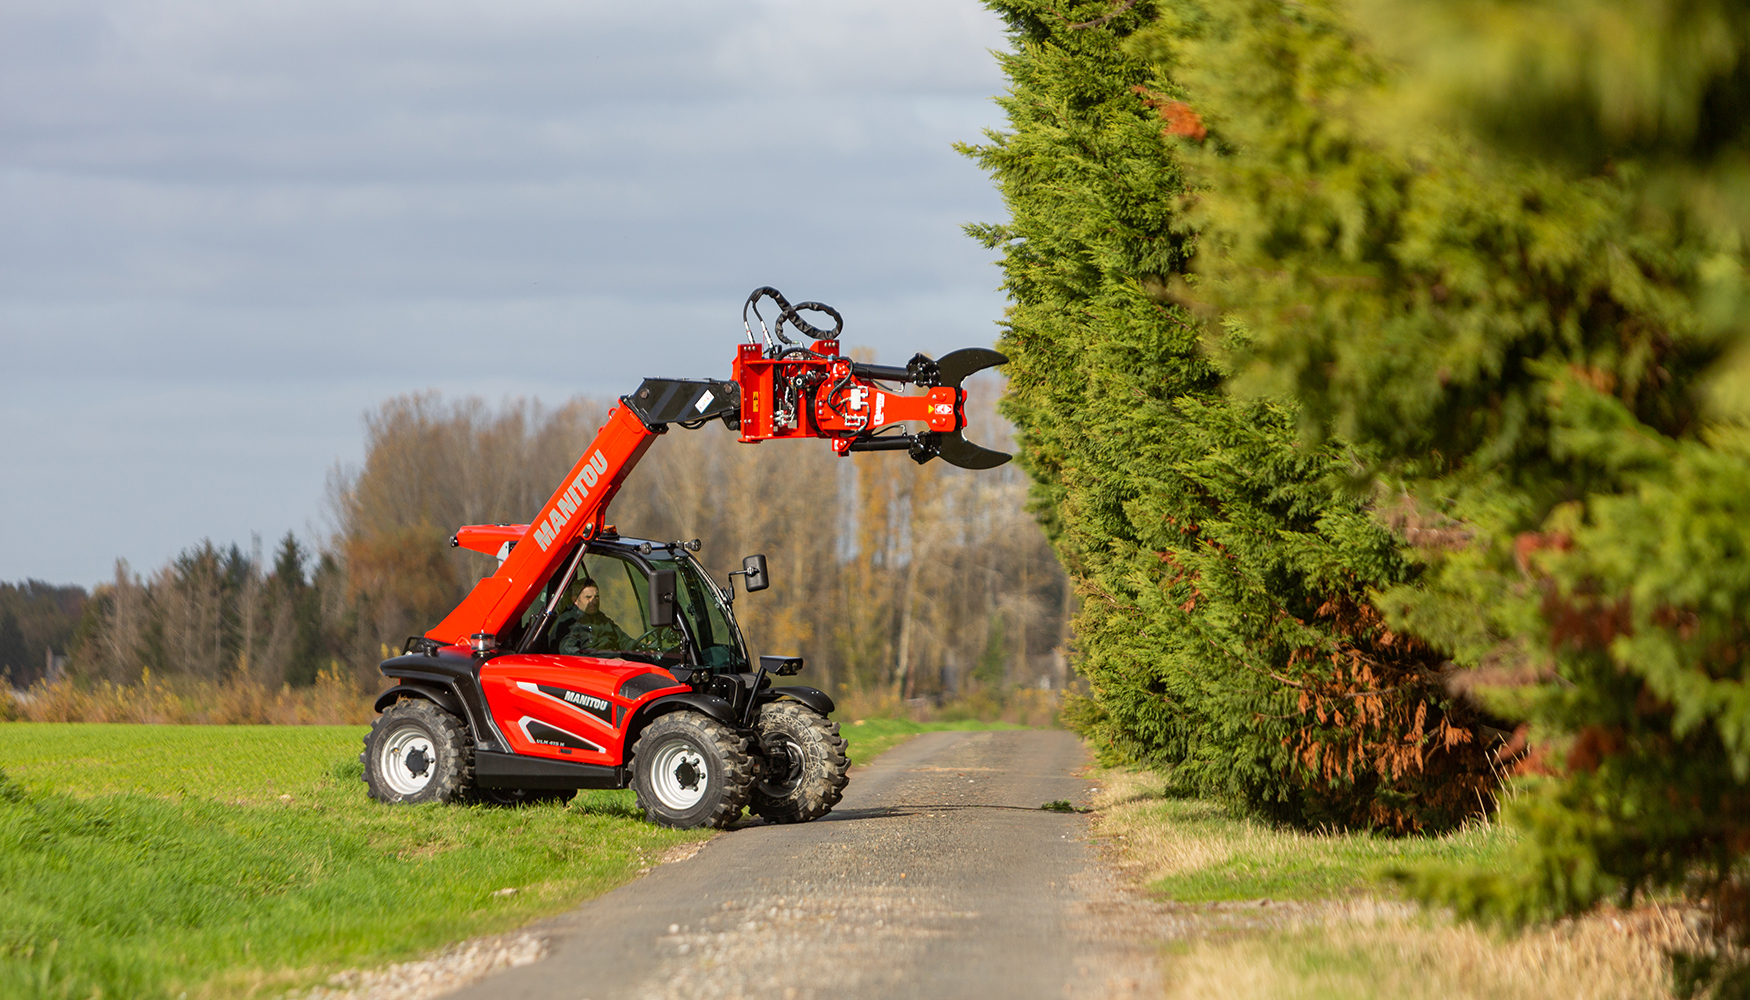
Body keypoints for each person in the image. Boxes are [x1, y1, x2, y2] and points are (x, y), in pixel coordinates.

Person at [557, 577, 634, 654]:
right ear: (575, 600)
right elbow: (569, 652)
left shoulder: (603, 620)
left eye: (596, 597)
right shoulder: (569, 622)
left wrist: (642, 648)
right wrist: (608, 659)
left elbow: (624, 641)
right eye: (588, 597)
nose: (594, 602)